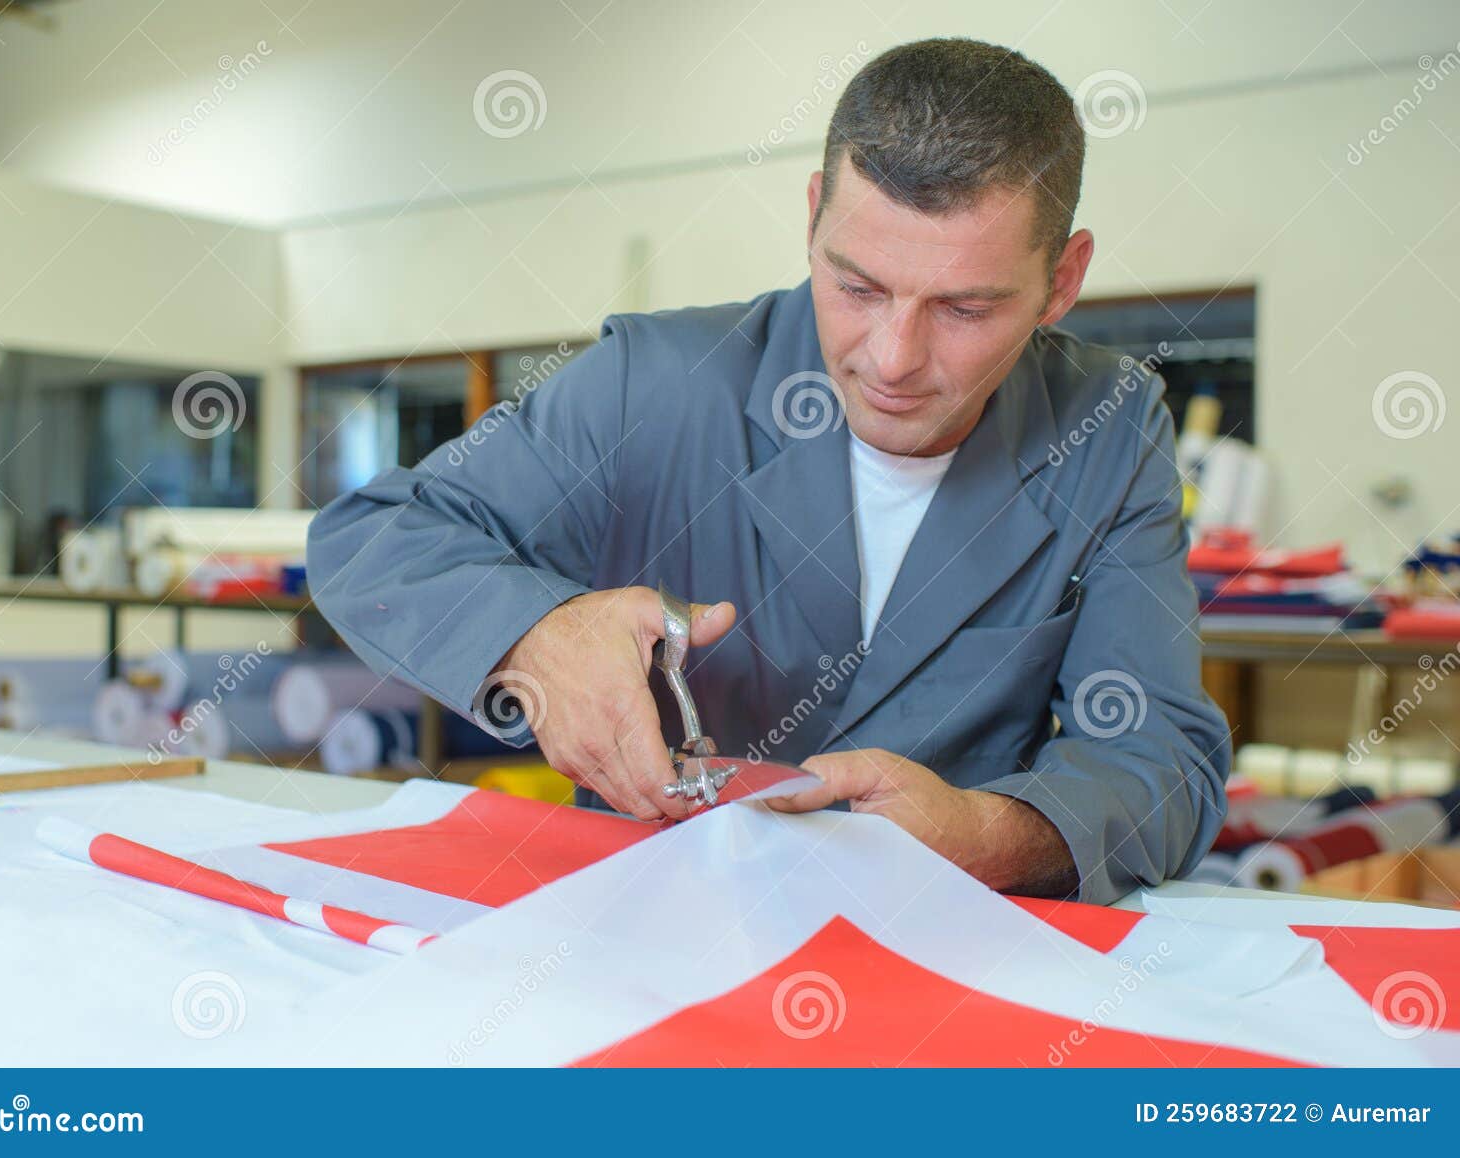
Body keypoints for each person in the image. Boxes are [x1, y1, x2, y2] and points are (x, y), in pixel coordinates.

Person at [308, 38, 1230, 905]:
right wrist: (533, 635)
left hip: (948, 968)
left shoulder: (1107, 424)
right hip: (651, 941)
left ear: (1063, 282)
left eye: (964, 308)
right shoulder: (656, 383)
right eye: (858, 287)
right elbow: (374, 539)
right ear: (812, 218)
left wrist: (994, 834)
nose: (894, 357)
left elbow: (1160, 756)